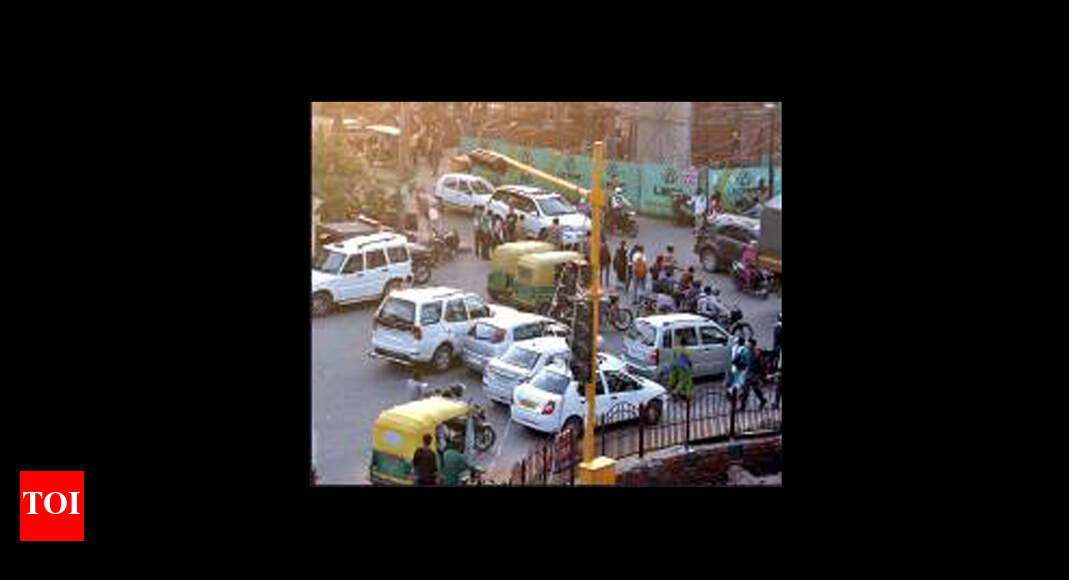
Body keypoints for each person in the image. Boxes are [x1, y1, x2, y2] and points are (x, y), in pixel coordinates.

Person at [739, 337, 767, 411]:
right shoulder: (748, 352)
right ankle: (762, 400)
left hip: (755, 373)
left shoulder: (757, 353)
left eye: (748, 343)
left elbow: (762, 364)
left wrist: (761, 375)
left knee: (748, 388)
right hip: (749, 372)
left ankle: (743, 405)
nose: (746, 344)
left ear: (752, 344)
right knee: (752, 388)